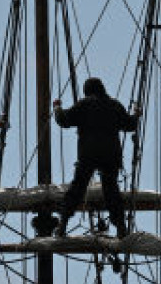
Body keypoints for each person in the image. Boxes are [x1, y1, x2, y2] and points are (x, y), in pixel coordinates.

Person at [53, 77, 139, 234]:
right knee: (111, 190)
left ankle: (63, 224)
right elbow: (130, 125)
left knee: (77, 188)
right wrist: (136, 114)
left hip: (88, 154)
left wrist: (57, 108)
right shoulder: (115, 105)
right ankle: (121, 227)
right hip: (110, 155)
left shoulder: (84, 104)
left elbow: (64, 120)